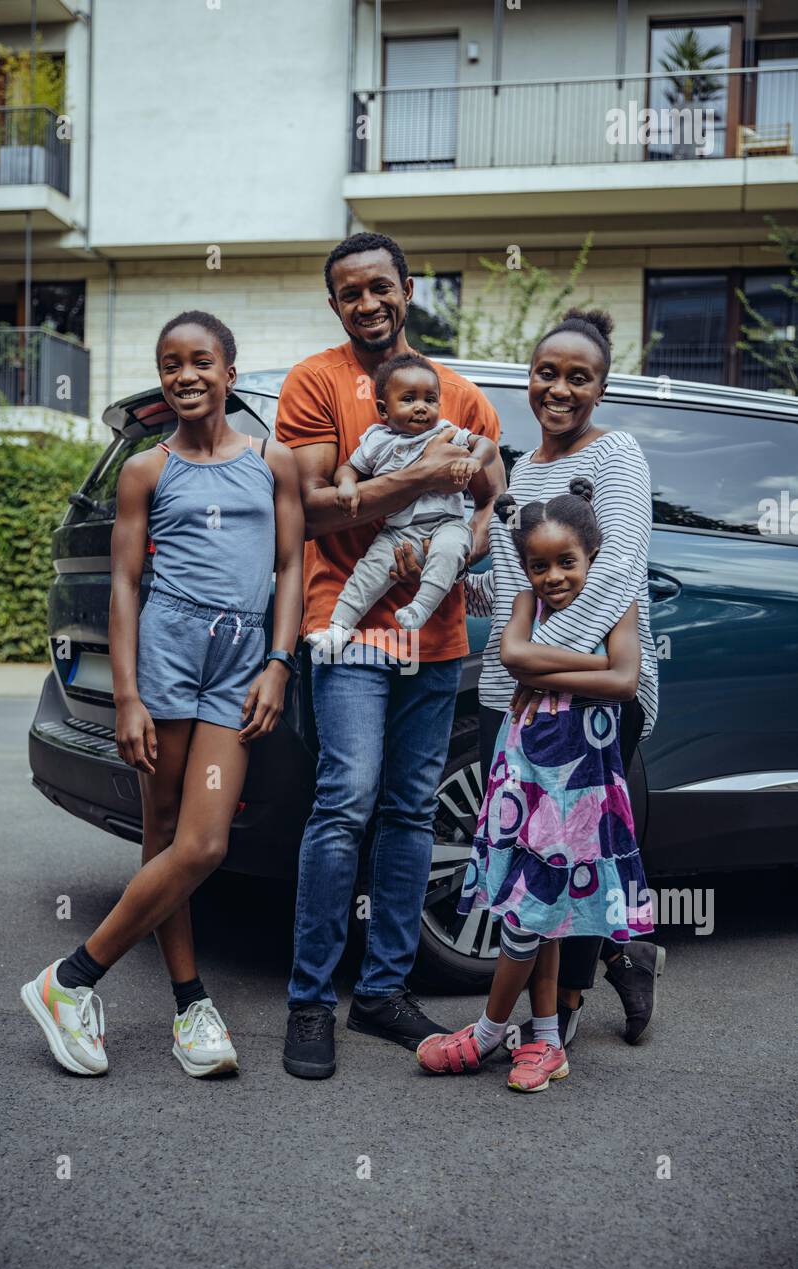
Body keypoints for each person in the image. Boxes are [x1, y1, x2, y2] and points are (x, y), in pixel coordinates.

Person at [21, 310, 304, 1078]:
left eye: (200, 361)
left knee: (204, 843)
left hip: (240, 661)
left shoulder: (272, 463)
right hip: (166, 659)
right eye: (170, 363)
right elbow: (123, 583)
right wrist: (129, 697)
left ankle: (69, 979)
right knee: (166, 830)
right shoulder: (147, 469)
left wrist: (278, 662)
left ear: (229, 373)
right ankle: (190, 1005)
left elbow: (290, 570)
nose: (185, 375)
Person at [275, 231, 503, 1080]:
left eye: (380, 287)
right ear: (335, 305)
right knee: (346, 800)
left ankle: (382, 991)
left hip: (435, 634)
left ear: (407, 289)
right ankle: (309, 1001)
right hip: (345, 621)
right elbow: (312, 511)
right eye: (348, 294)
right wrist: (412, 483)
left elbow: (490, 502)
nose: (366, 303)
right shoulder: (315, 382)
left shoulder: (464, 396)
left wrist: (467, 546)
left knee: (410, 812)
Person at [464, 307, 664, 1047]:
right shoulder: (523, 471)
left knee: (573, 846)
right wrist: (458, 587)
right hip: (513, 696)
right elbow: (517, 587)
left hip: (590, 686)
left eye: (579, 377)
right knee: (533, 848)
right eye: (548, 373)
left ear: (601, 387)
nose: (560, 389)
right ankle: (623, 951)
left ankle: (568, 1002)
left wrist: (542, 668)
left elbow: (618, 569)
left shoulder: (618, 455)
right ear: (530, 379)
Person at [417, 479, 656, 1090]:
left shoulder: (615, 604)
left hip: (577, 789)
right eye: (538, 565)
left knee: (528, 916)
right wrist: (591, 665)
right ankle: (545, 1041)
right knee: (534, 910)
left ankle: (489, 1031)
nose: (552, 577)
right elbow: (514, 657)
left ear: (593, 557)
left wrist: (557, 669)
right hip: (524, 776)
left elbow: (626, 680)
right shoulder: (525, 603)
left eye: (566, 562)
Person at [307, 351, 496, 656]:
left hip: (445, 525)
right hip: (397, 532)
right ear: (384, 409)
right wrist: (345, 484)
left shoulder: (446, 432)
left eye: (430, 399)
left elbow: (487, 445)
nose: (421, 407)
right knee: (367, 574)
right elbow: (348, 468)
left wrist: (475, 461)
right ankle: (338, 630)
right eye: (409, 399)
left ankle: (420, 607)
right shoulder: (376, 440)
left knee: (449, 551)